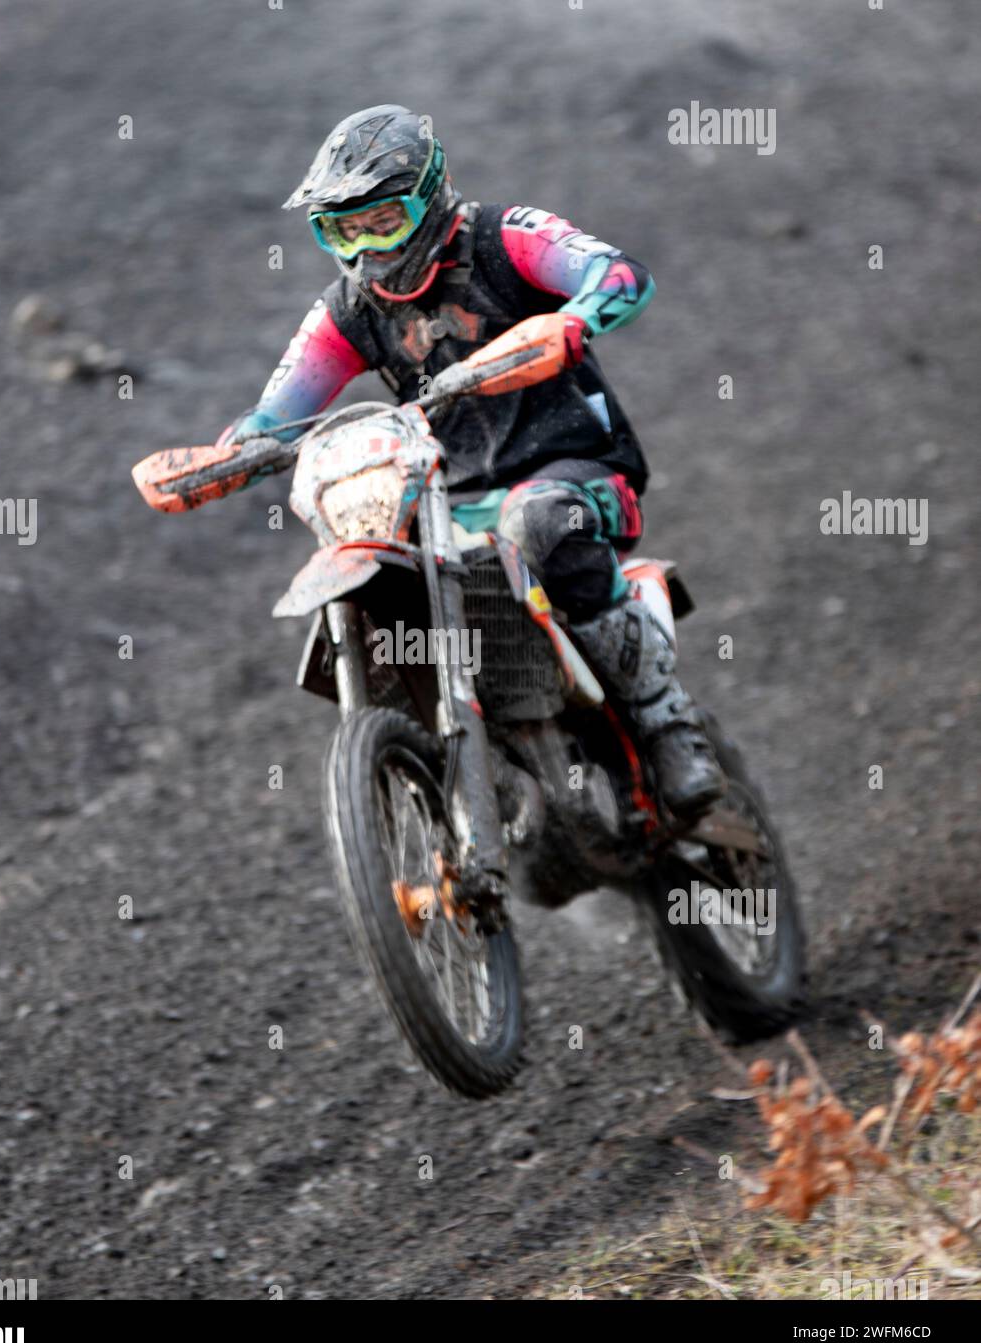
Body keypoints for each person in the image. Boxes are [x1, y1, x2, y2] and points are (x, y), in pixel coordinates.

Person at [218, 105, 724, 818]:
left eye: (382, 221)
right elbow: (278, 411)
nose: (366, 247)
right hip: (451, 504)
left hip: (581, 471)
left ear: (430, 197)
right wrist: (229, 454)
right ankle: (444, 770)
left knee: (539, 521)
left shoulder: (503, 239)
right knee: (387, 576)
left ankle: (667, 720)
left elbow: (621, 273)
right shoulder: (349, 309)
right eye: (342, 228)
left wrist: (573, 318)